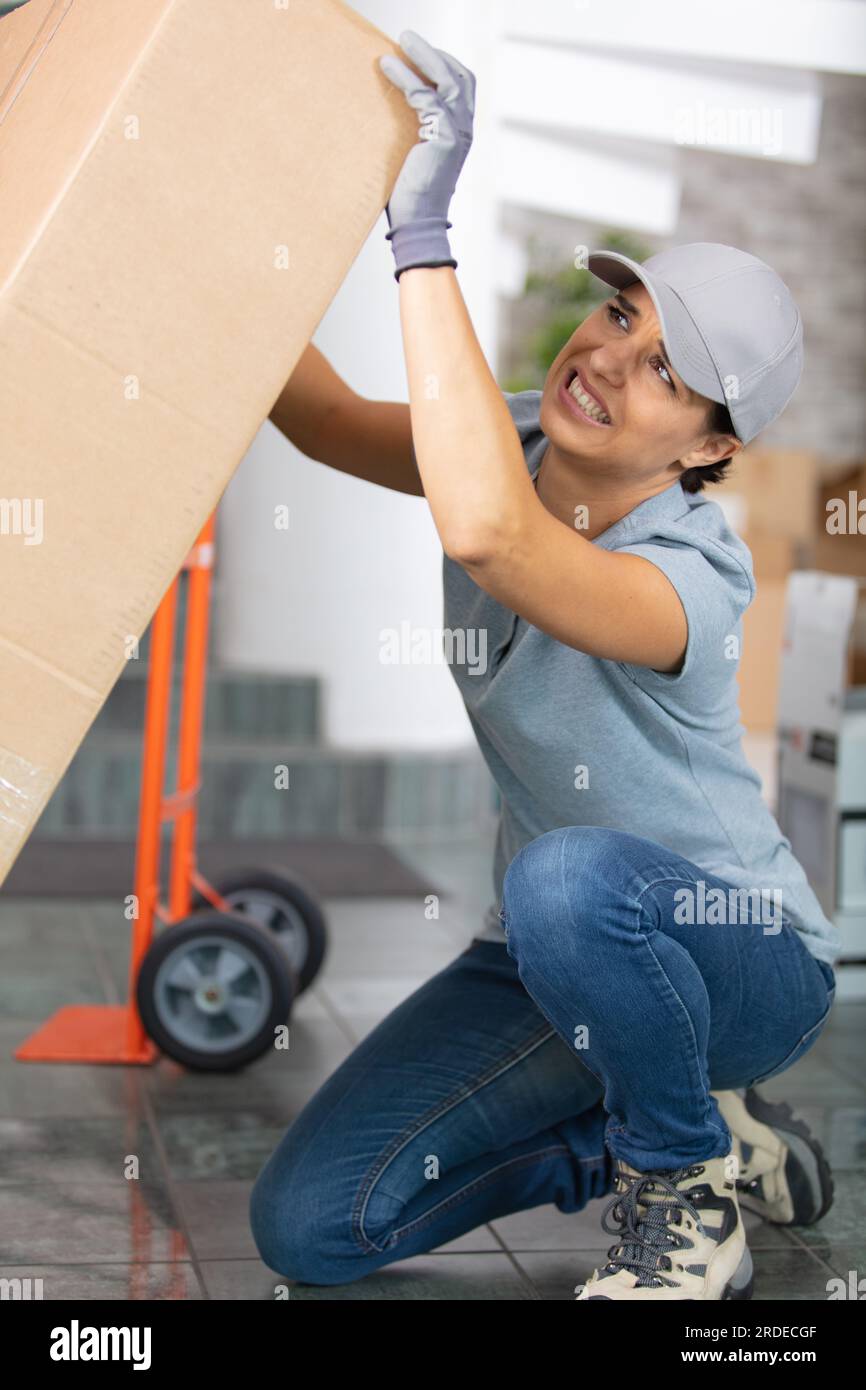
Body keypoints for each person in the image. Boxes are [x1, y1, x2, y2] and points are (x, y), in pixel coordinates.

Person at [250, 31, 839, 1301]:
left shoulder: (689, 576)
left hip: (739, 964)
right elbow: (319, 420)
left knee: (572, 878)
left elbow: (490, 538)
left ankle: (680, 1192)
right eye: (620, 315)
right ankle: (654, 1139)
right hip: (554, 954)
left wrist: (423, 232)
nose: (610, 361)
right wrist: (208, 229)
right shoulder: (504, 440)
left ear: (704, 449)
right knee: (311, 1227)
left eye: (667, 374)